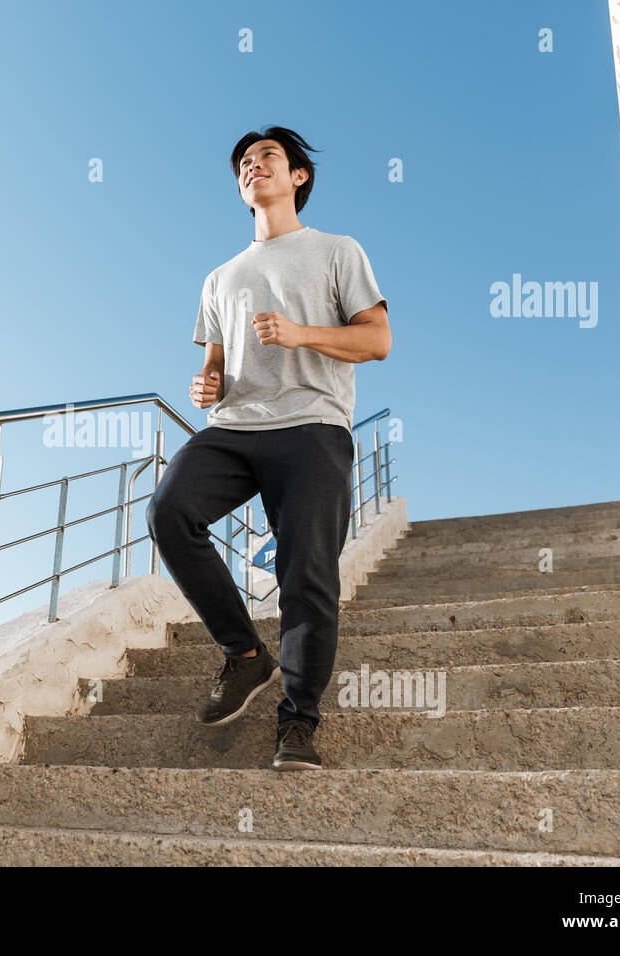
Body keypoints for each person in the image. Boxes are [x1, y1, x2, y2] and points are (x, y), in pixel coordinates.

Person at [145, 125, 391, 770]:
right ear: (240, 187)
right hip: (235, 427)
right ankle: (246, 655)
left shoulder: (338, 251)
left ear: (298, 177)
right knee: (170, 512)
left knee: (305, 576)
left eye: (269, 158)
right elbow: (218, 364)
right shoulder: (220, 277)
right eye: (245, 163)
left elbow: (376, 340)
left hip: (313, 425)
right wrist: (207, 383)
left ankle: (298, 723)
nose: (255, 166)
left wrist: (300, 333)